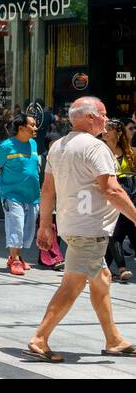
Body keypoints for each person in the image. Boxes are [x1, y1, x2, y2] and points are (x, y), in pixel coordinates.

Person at [26, 97, 136, 362]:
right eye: (103, 114)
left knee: (101, 281)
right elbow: (112, 189)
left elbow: (48, 190)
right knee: (72, 286)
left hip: (72, 226)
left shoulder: (58, 147)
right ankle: (40, 339)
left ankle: (114, 340)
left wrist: (45, 227)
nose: (106, 119)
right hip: (91, 230)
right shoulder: (96, 148)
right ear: (89, 118)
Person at [0, 114, 41, 276]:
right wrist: (10, 183)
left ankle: (16, 256)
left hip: (32, 194)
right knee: (16, 225)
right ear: (21, 128)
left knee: (27, 229)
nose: (35, 128)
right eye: (32, 125)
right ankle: (15, 260)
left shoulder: (33, 144)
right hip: (11, 194)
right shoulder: (6, 146)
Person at [103, 118, 136, 282]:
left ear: (118, 133)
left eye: (108, 129)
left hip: (129, 195)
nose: (105, 132)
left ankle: (104, 268)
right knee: (115, 233)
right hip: (110, 195)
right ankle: (121, 268)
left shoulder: (130, 152)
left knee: (120, 233)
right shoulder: (100, 151)